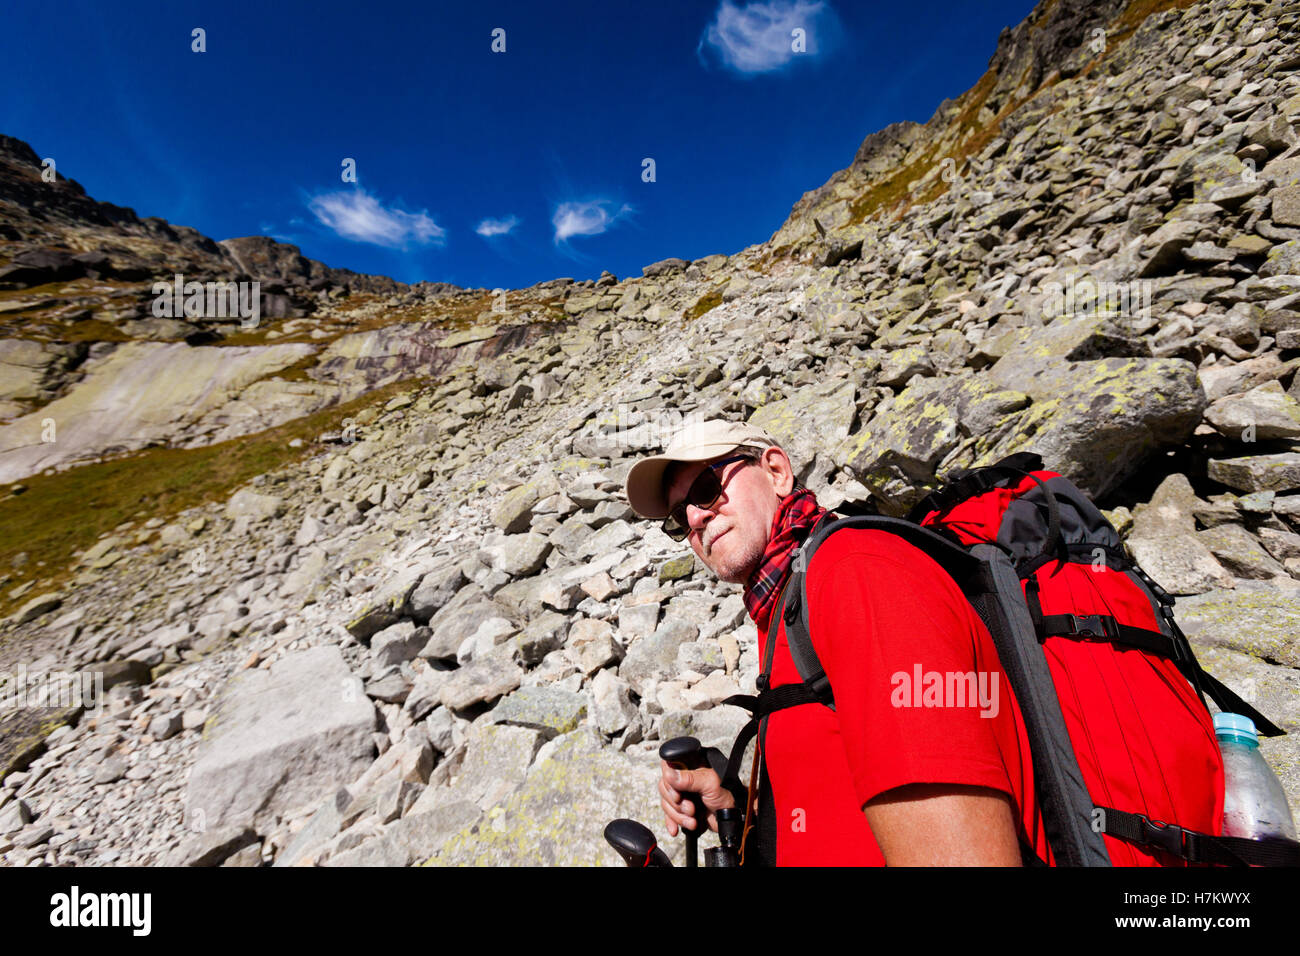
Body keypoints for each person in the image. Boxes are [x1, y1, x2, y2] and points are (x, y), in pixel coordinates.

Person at [624, 418, 1050, 866]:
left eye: (707, 487)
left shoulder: (856, 574)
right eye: (678, 518)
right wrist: (739, 805)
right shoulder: (787, 603)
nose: (695, 518)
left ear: (775, 471)